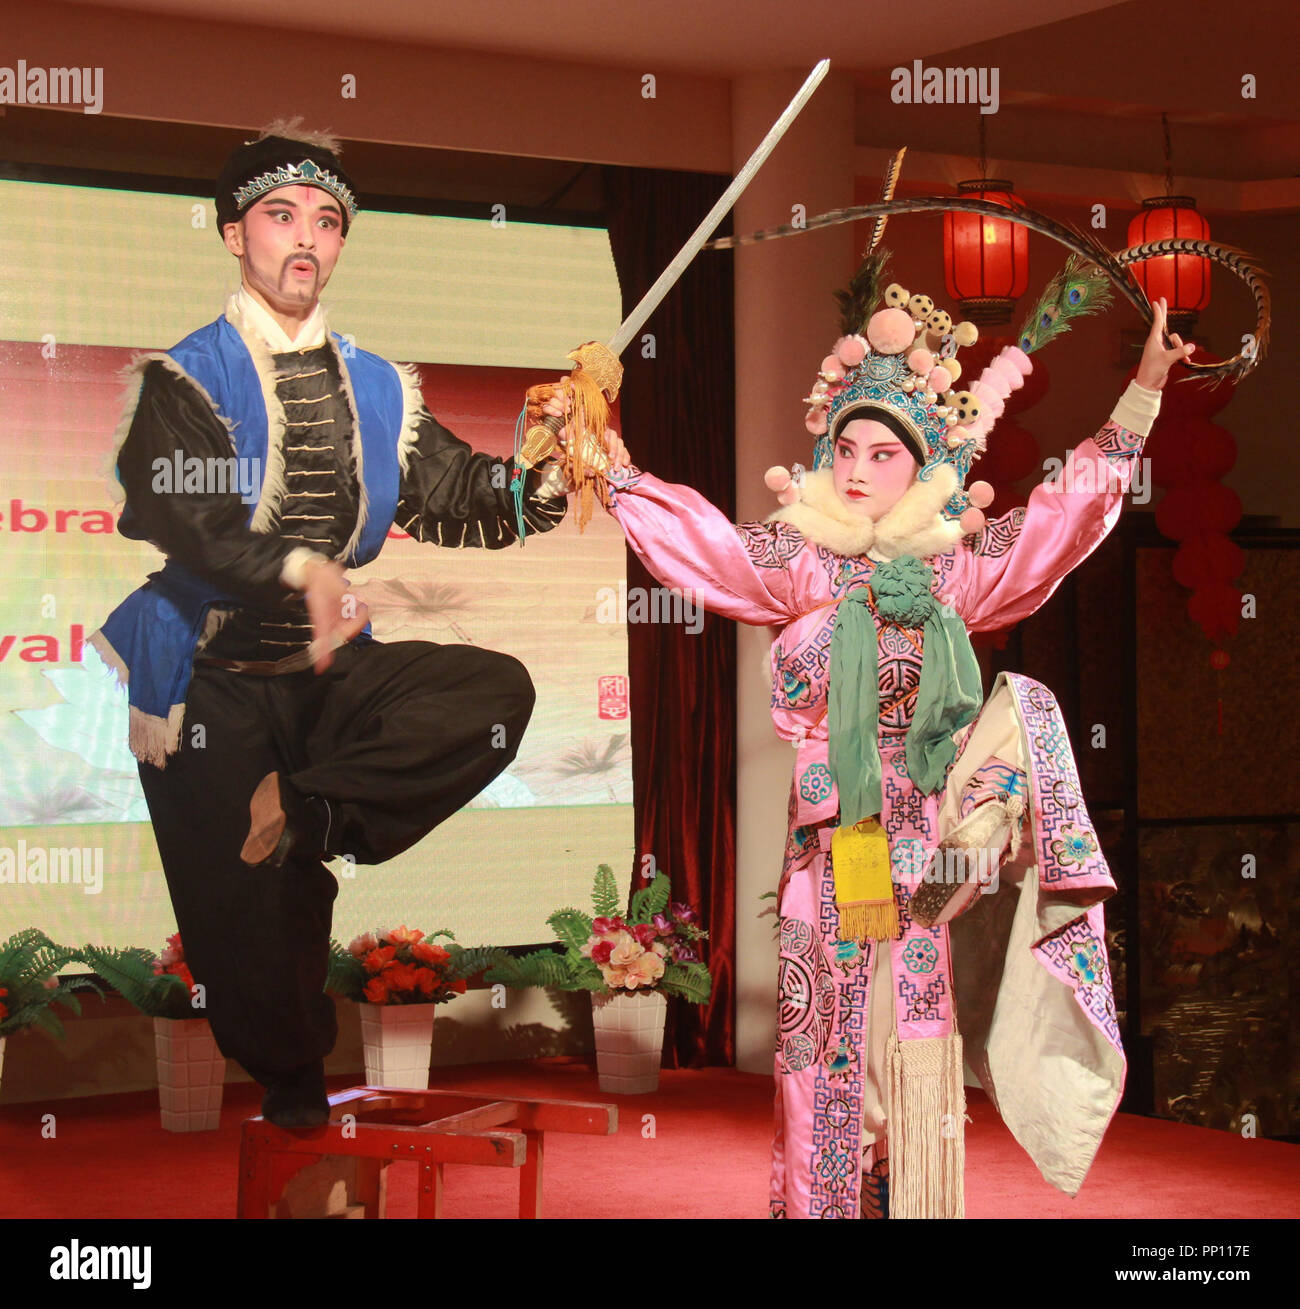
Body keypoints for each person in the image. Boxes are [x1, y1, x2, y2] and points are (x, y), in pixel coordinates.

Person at [565, 267, 1194, 1217]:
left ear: (923, 468)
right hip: (847, 842)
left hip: (939, 845)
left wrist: (1143, 386)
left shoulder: (957, 571)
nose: (856, 468)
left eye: (882, 455)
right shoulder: (802, 559)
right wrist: (605, 458)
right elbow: (698, 538)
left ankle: (910, 1202)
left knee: (915, 1041)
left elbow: (1066, 517)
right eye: (845, 448)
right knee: (834, 1048)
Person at [88, 123, 571, 1127]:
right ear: (234, 234)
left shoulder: (379, 385)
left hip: (328, 672)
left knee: (491, 692)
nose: (304, 238)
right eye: (279, 216)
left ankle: (306, 808)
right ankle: (296, 1091)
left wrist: (550, 473)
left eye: (325, 220)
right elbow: (189, 518)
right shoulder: (184, 379)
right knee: (252, 921)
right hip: (210, 679)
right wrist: (300, 565)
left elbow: (464, 495)